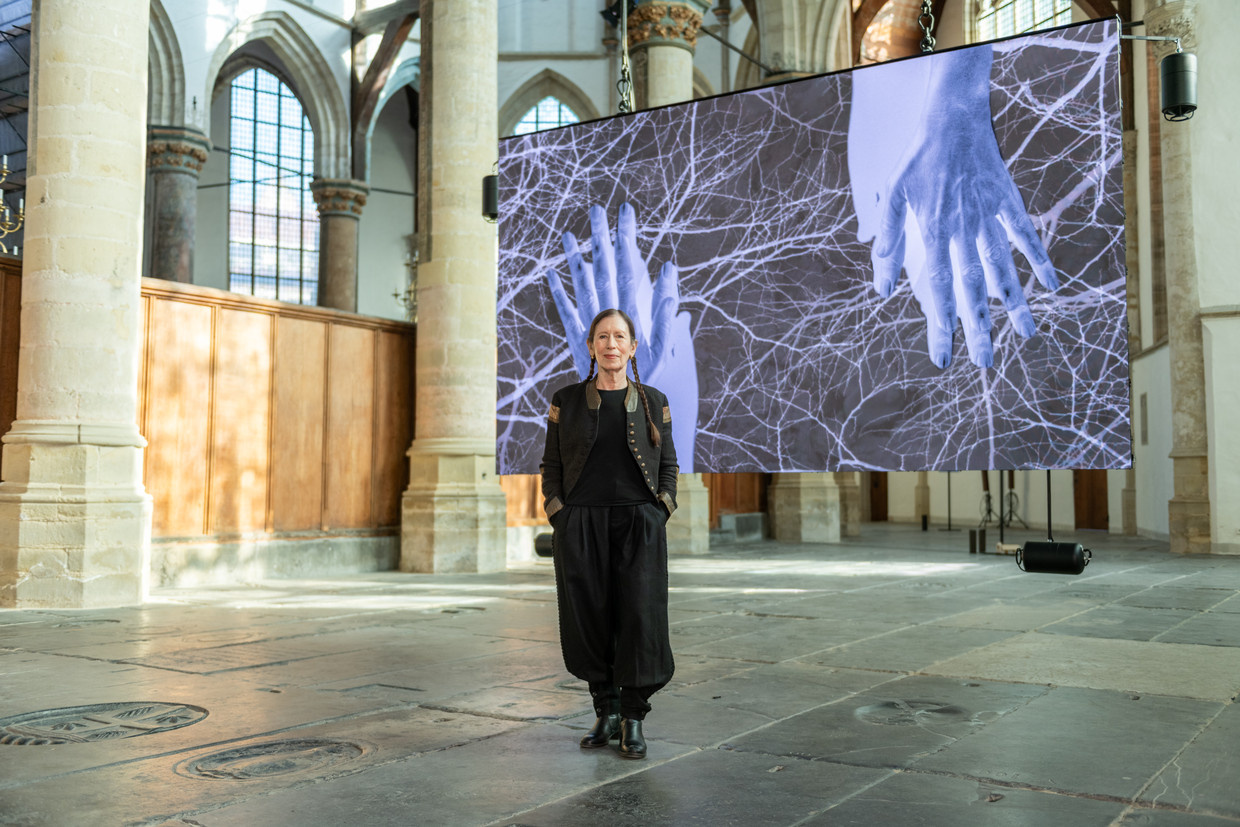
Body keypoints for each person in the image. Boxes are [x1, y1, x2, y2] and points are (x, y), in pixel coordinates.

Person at [540, 308, 678, 760]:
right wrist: (558, 512)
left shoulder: (655, 400)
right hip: (581, 524)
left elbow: (670, 466)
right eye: (603, 337)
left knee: (640, 618)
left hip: (639, 524)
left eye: (620, 337)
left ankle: (634, 718)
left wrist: (661, 509)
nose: (611, 344)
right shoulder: (566, 399)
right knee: (590, 617)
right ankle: (607, 709)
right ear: (592, 346)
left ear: (633, 347)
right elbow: (552, 466)